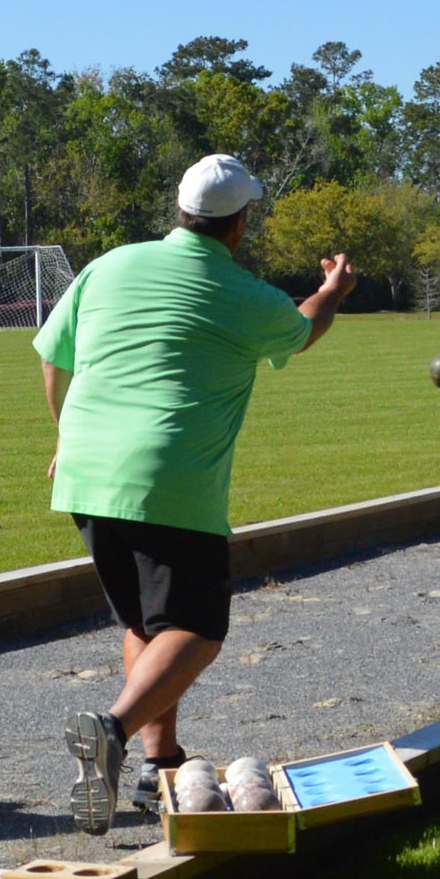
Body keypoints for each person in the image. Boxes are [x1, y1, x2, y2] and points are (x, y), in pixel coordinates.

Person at [33, 153, 358, 834]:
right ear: (239, 224)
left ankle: (161, 766)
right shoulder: (241, 294)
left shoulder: (110, 265)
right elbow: (303, 330)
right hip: (169, 477)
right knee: (198, 628)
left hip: (85, 473)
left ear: (179, 210)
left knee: (149, 625)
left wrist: (67, 434)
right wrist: (332, 288)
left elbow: (53, 353)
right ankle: (112, 729)